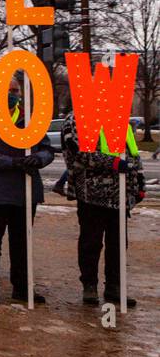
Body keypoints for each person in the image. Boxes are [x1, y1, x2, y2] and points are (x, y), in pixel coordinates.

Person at [0, 79, 54, 304]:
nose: (12, 94)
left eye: (15, 90)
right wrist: (13, 162)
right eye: (7, 90)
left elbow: (47, 149)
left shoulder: (29, 118)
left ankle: (22, 286)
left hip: (25, 190)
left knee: (22, 240)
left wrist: (39, 159)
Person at [62, 110, 145, 309]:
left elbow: (132, 151)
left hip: (120, 194)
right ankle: (89, 285)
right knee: (91, 242)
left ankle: (114, 286)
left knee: (118, 244)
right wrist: (113, 163)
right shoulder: (75, 119)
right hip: (91, 194)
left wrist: (139, 182)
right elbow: (78, 153)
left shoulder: (118, 117)